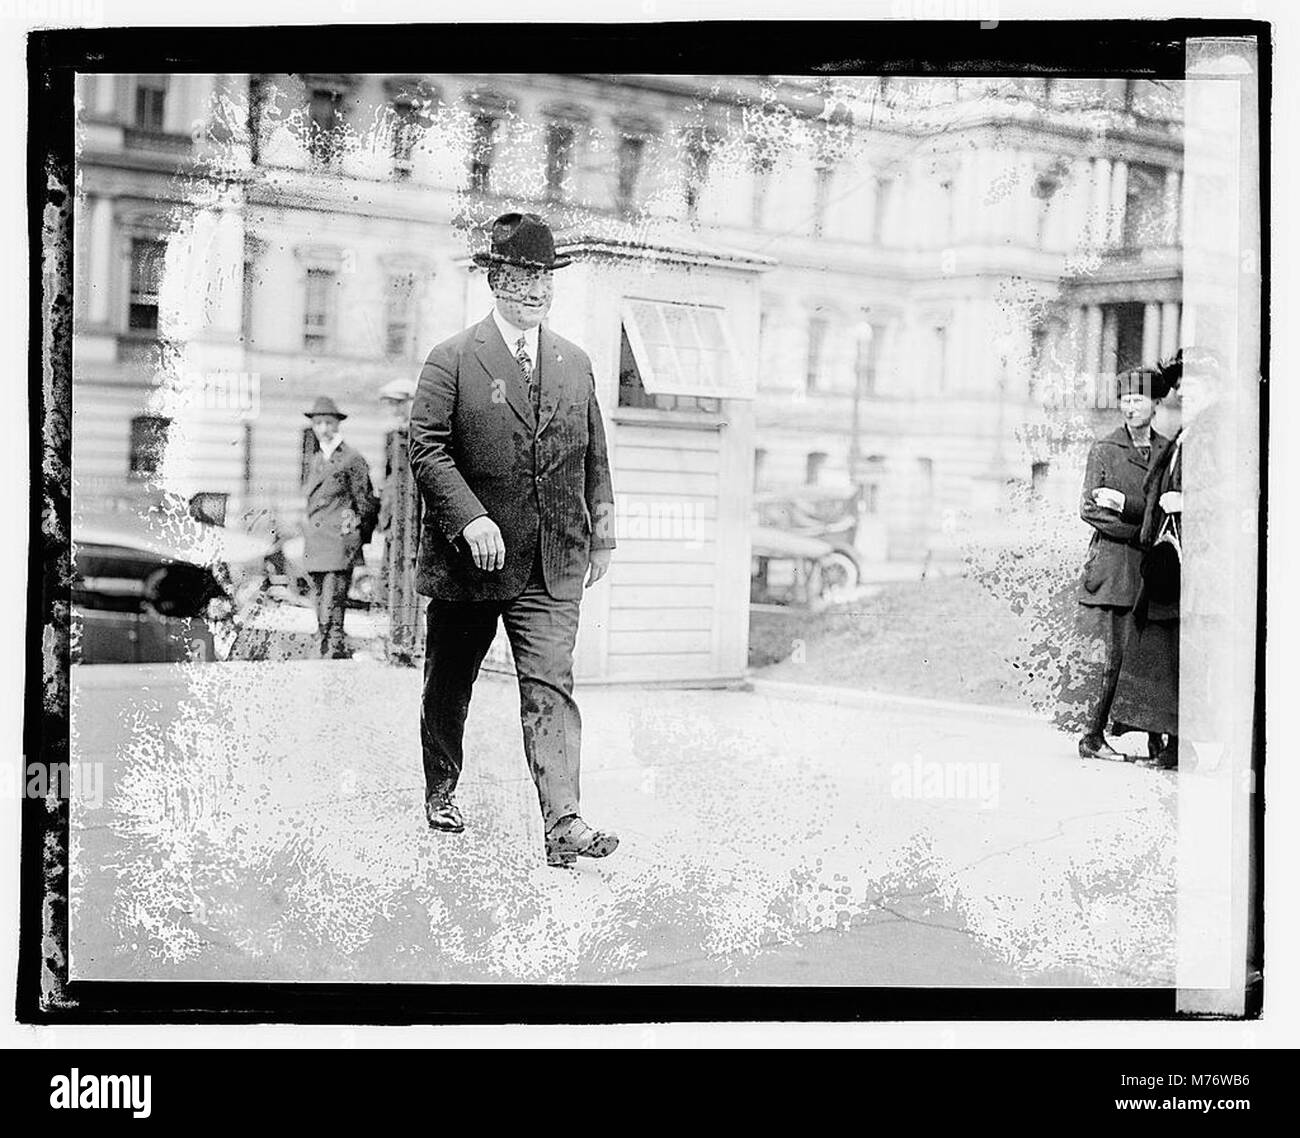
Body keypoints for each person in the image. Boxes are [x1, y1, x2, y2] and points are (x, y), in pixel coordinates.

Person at [408, 212, 619, 869]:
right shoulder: (452, 358)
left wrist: (603, 534)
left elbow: (595, 457)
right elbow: (426, 448)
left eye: (543, 278)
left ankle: (564, 822)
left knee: (551, 687)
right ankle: (441, 786)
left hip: (553, 563)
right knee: (450, 685)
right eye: (520, 277)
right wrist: (470, 519)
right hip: (469, 564)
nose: (534, 290)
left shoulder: (574, 363)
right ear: (494, 280)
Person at [1111, 348, 1224, 770]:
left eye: (1191, 386)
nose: (1182, 393)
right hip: (1174, 566)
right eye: (1180, 386)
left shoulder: (1218, 431)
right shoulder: (1185, 434)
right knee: (1169, 655)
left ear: (1212, 389)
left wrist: (1188, 503)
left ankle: (1197, 748)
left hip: (1203, 565)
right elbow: (1162, 499)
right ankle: (1175, 746)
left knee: (1196, 660)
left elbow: (1238, 491)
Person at [1076, 366, 1170, 761]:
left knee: (1151, 654)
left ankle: (1155, 739)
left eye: (1138, 400)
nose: (1130, 408)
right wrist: (1139, 532)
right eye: (1125, 401)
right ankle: (1093, 736)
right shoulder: (1105, 448)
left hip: (1155, 569)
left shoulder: (1167, 450)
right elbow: (1090, 509)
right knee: (1113, 658)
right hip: (1116, 566)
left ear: (1156, 404)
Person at [302, 396, 379, 659]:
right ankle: (327, 646)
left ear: (337, 424)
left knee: (332, 600)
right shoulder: (315, 460)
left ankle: (331, 650)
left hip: (338, 540)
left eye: (328, 422)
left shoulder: (351, 459)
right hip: (316, 540)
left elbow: (366, 503)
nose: (322, 428)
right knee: (318, 598)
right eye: (318, 423)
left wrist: (358, 537)